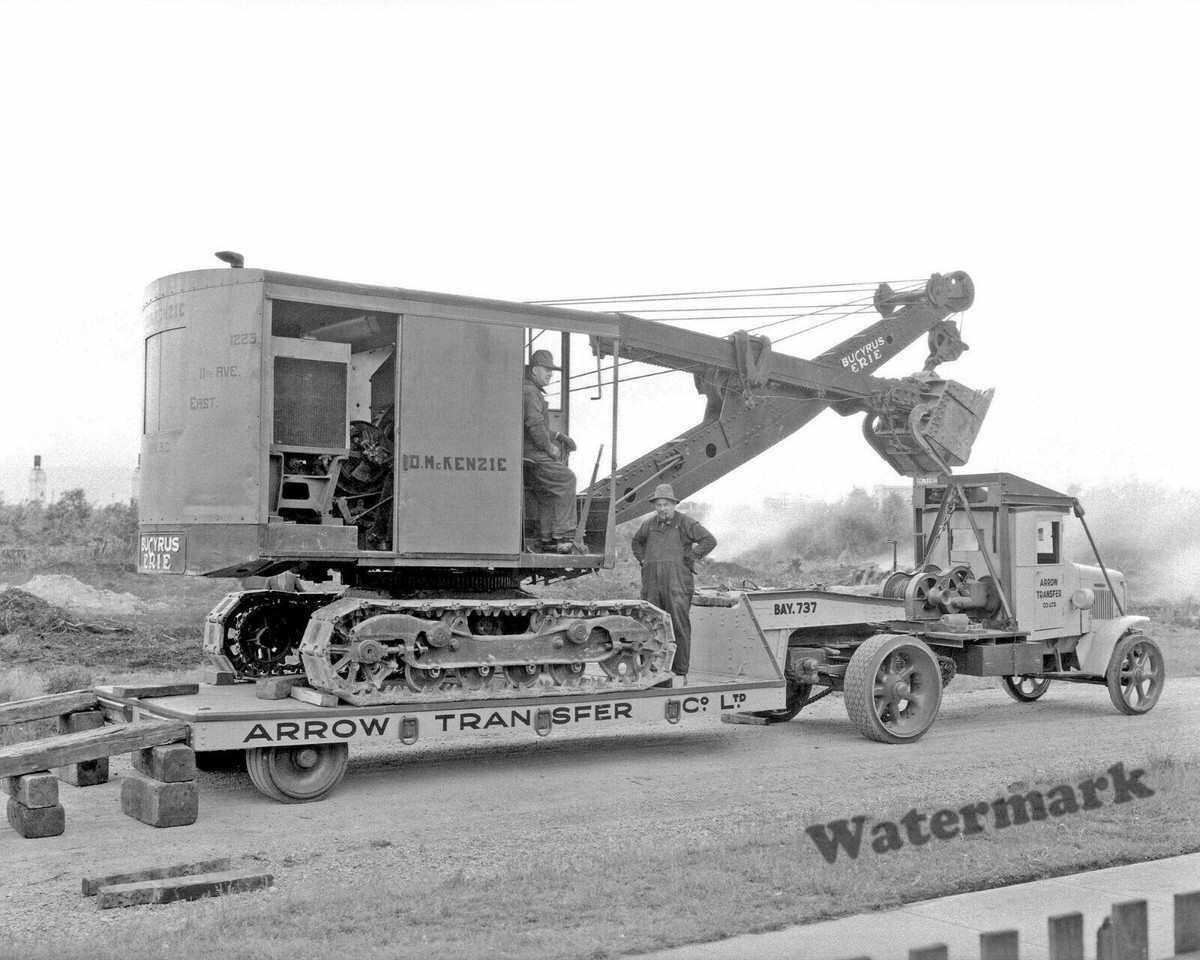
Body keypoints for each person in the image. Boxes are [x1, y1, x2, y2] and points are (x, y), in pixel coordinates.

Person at [631, 483, 717, 681]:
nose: (662, 509)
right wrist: (643, 560)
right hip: (652, 582)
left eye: (666, 505)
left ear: (674, 504)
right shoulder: (649, 525)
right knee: (650, 623)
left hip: (677, 582)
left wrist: (692, 555)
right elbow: (636, 542)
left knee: (678, 624)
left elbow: (709, 540)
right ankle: (652, 667)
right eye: (659, 505)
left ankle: (679, 669)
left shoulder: (685, 522)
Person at [523, 348, 578, 552]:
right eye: (547, 369)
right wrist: (551, 448)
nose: (550, 374)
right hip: (532, 453)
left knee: (548, 491)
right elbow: (535, 426)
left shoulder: (530, 390)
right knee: (566, 479)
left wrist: (558, 436)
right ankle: (563, 536)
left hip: (527, 453)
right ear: (535, 370)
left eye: (552, 371)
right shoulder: (531, 392)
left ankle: (547, 538)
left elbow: (539, 426)